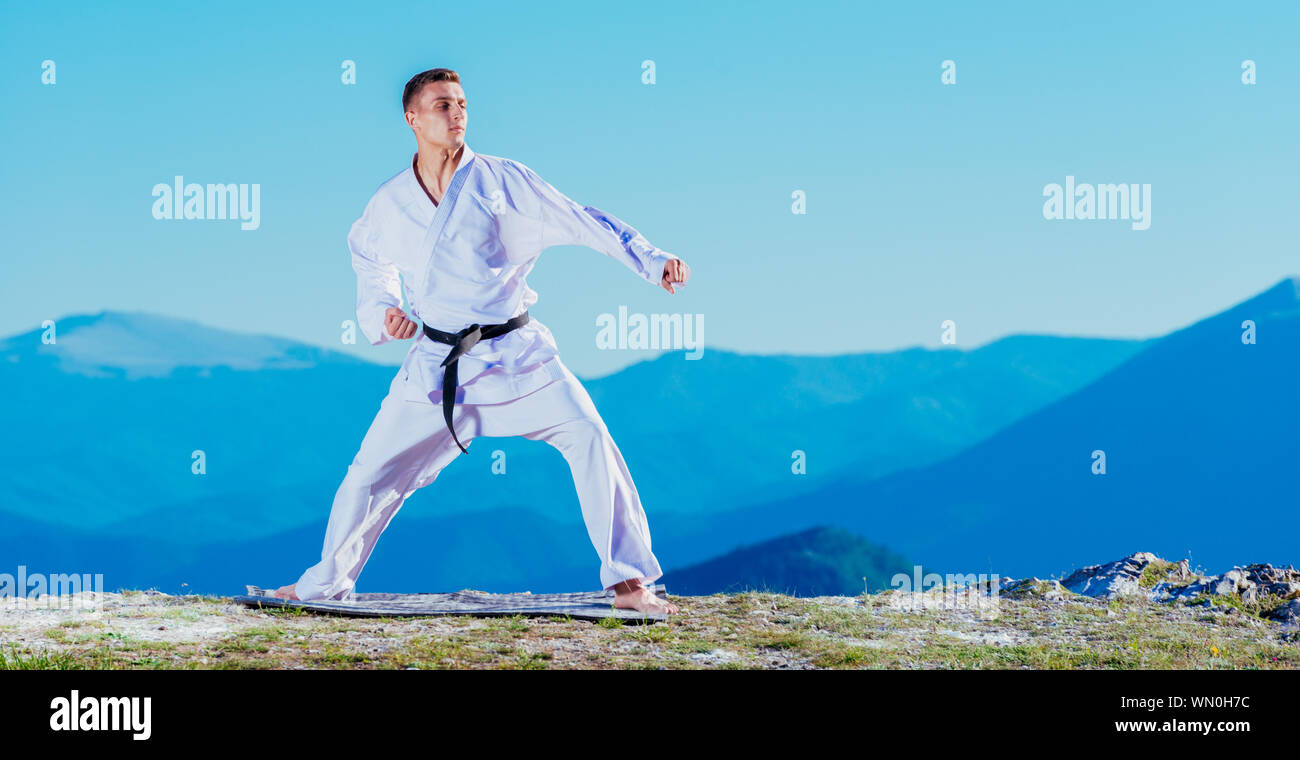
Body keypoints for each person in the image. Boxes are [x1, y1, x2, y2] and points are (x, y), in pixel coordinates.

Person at [272, 68, 688, 616]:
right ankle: (323, 585)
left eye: (463, 103)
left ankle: (631, 581)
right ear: (412, 118)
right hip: (437, 363)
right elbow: (368, 257)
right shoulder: (390, 201)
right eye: (443, 104)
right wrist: (384, 312)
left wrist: (651, 260)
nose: (457, 113)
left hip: (517, 354)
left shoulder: (503, 180)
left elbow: (581, 220)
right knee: (369, 475)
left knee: (589, 435)